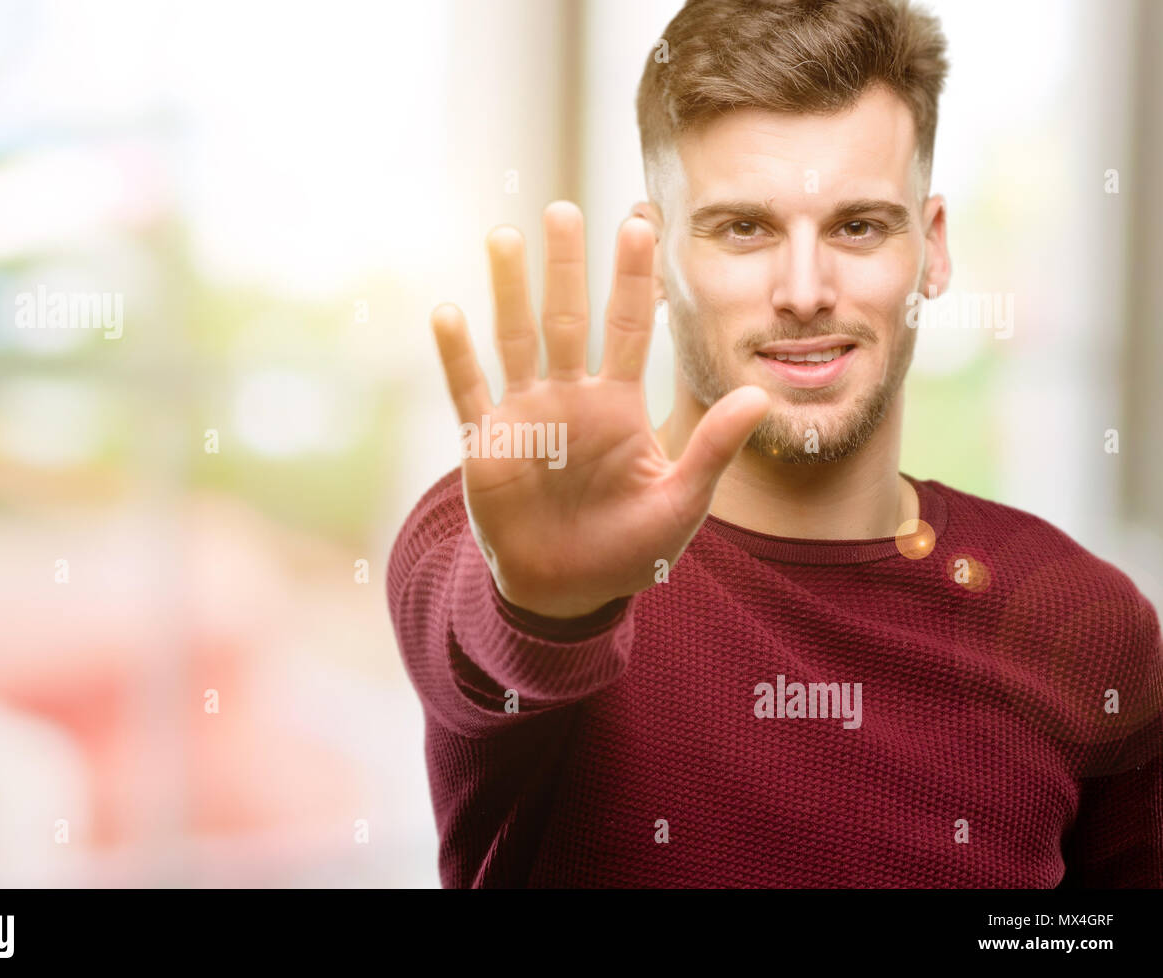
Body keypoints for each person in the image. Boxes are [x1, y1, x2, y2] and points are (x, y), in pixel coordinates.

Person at [387, 0, 1163, 887]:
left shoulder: (1088, 624)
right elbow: (479, 641)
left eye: (859, 226)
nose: (804, 290)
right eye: (744, 228)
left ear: (934, 247)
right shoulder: (499, 531)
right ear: (661, 251)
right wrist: (547, 612)